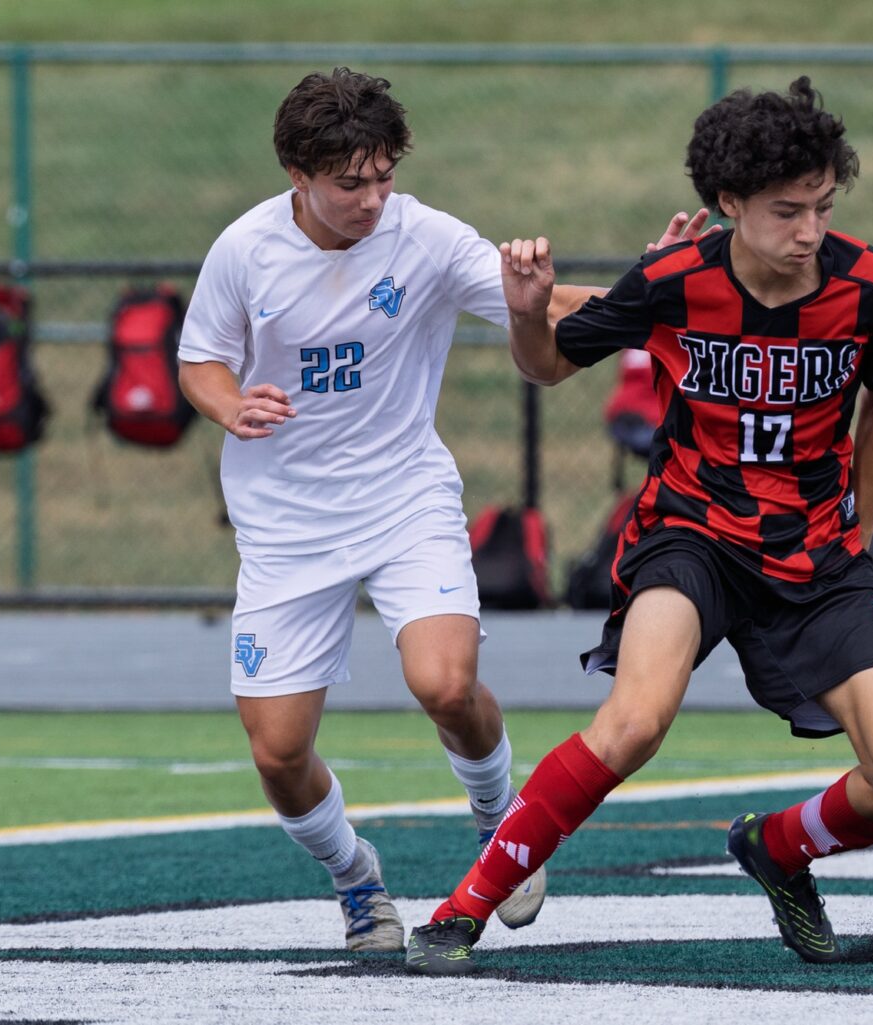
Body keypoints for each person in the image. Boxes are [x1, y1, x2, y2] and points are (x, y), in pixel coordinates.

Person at [404, 76, 873, 975]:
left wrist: (862, 525)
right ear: (728, 202)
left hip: (817, 555)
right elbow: (546, 367)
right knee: (635, 721)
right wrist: (528, 312)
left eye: (823, 206)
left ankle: (776, 846)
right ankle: (461, 910)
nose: (810, 230)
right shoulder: (673, 281)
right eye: (786, 211)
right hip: (691, 535)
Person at [176, 67, 697, 953]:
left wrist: (651, 286)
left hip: (404, 499)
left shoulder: (424, 237)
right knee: (278, 753)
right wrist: (230, 405)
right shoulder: (244, 249)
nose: (373, 199)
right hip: (287, 524)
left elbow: (541, 304)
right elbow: (200, 360)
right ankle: (355, 877)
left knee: (446, 683)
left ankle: (503, 823)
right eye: (351, 183)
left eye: (384, 177)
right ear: (298, 174)